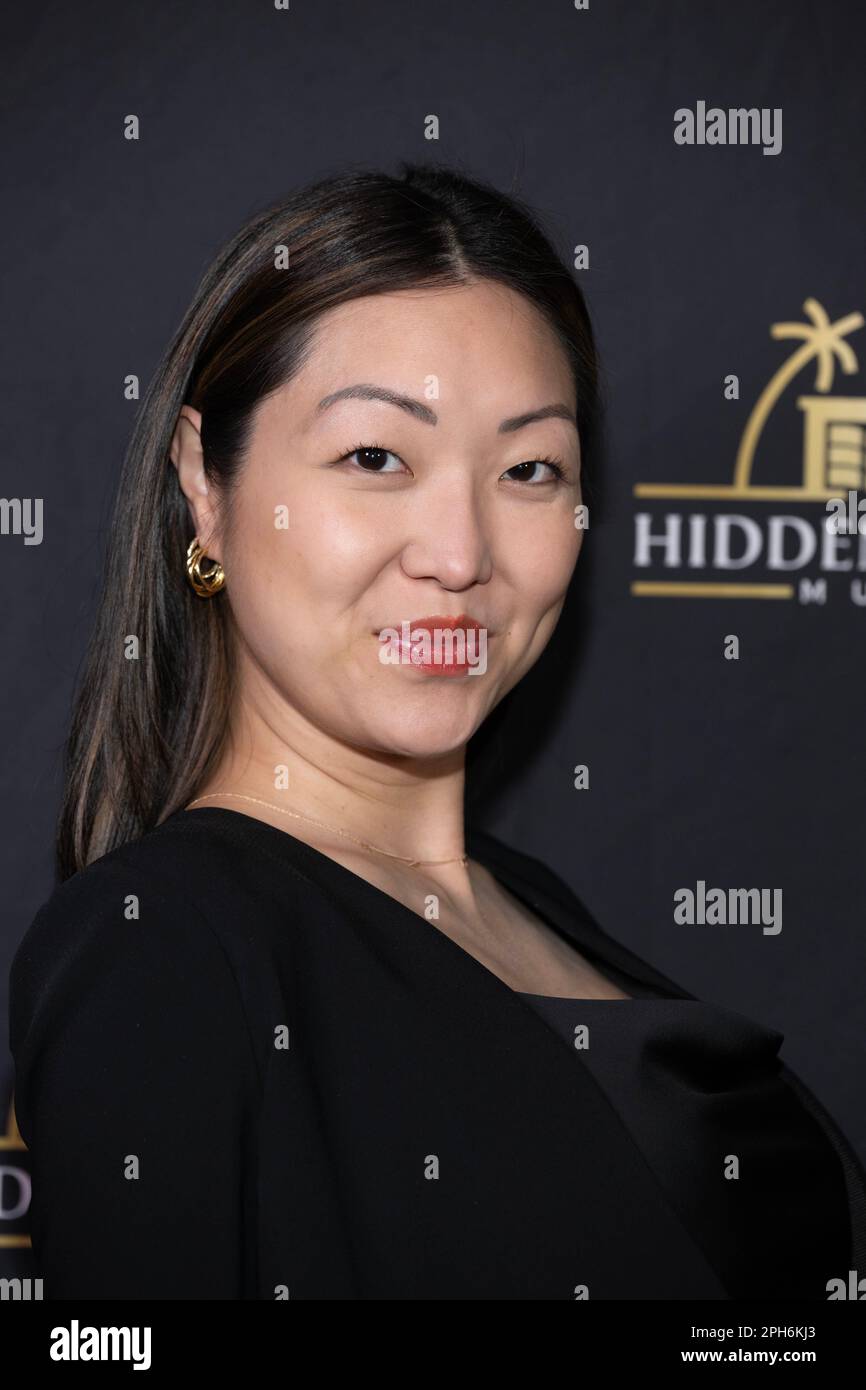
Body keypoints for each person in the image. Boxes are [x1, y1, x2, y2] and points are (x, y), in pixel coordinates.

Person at [9, 163, 865, 1300]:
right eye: (376, 458)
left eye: (527, 468)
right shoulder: (162, 950)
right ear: (204, 489)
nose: (459, 554)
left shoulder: (532, 902)